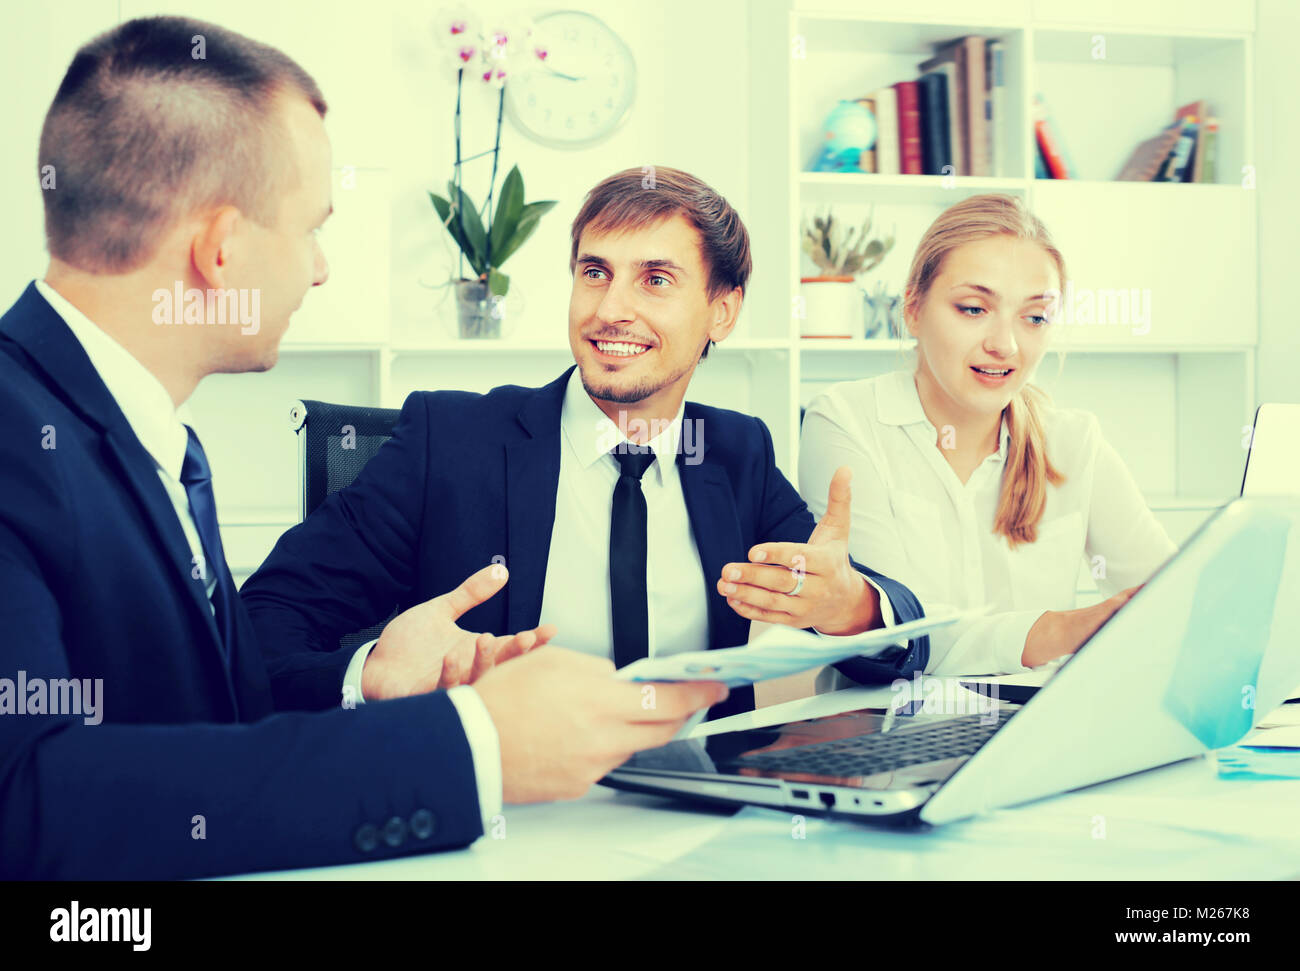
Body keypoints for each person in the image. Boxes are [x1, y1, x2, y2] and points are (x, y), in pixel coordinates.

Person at [0, 16, 726, 880]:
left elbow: (213, 733)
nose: (319, 270)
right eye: (311, 228)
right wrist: (474, 745)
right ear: (220, 249)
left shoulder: (146, 436)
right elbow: (24, 801)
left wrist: (367, 679)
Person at [241, 166, 932, 720]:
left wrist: (855, 607)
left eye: (655, 280)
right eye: (594, 272)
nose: (609, 309)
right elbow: (260, 625)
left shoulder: (735, 452)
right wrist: (369, 675)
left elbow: (897, 635)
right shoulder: (447, 443)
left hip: (696, 814)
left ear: (722, 311)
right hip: (498, 814)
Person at [799, 194, 1176, 676]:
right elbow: (898, 630)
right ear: (912, 310)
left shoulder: (1074, 441)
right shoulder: (846, 420)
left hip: (1037, 733)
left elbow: (1170, 595)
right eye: (974, 309)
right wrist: (1063, 631)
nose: (1005, 345)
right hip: (888, 732)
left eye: (1034, 317)